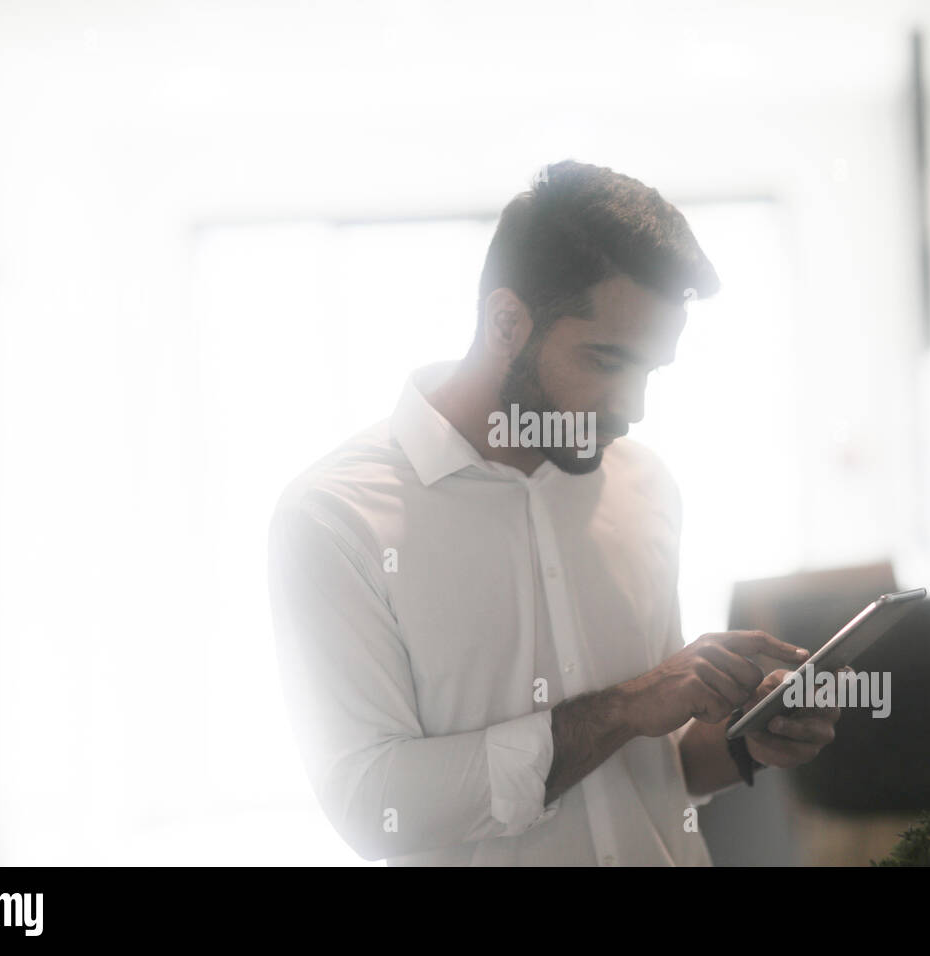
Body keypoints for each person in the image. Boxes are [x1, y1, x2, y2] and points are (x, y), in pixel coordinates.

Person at [267, 160, 842, 865]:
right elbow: (375, 808)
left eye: (650, 371)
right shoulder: (336, 519)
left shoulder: (646, 485)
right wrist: (626, 707)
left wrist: (746, 742)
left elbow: (654, 765)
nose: (632, 409)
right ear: (507, 320)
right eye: (606, 361)